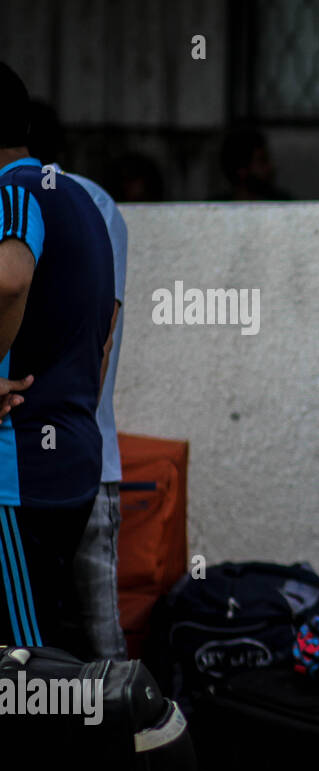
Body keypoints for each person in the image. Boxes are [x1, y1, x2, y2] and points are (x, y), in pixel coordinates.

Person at [0, 63, 115, 652]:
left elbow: (10, 281)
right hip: (69, 454)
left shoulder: (13, 192)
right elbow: (105, 335)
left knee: (20, 662)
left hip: (18, 470)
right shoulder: (77, 196)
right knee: (41, 646)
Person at [26, 101, 129, 659]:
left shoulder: (82, 199)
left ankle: (127, 744)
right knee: (75, 642)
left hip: (63, 460)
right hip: (77, 453)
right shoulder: (93, 201)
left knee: (91, 644)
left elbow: (100, 334)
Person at [212, 126, 292, 201]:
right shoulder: (213, 207)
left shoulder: (283, 204)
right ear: (241, 170)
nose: (271, 167)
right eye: (262, 161)